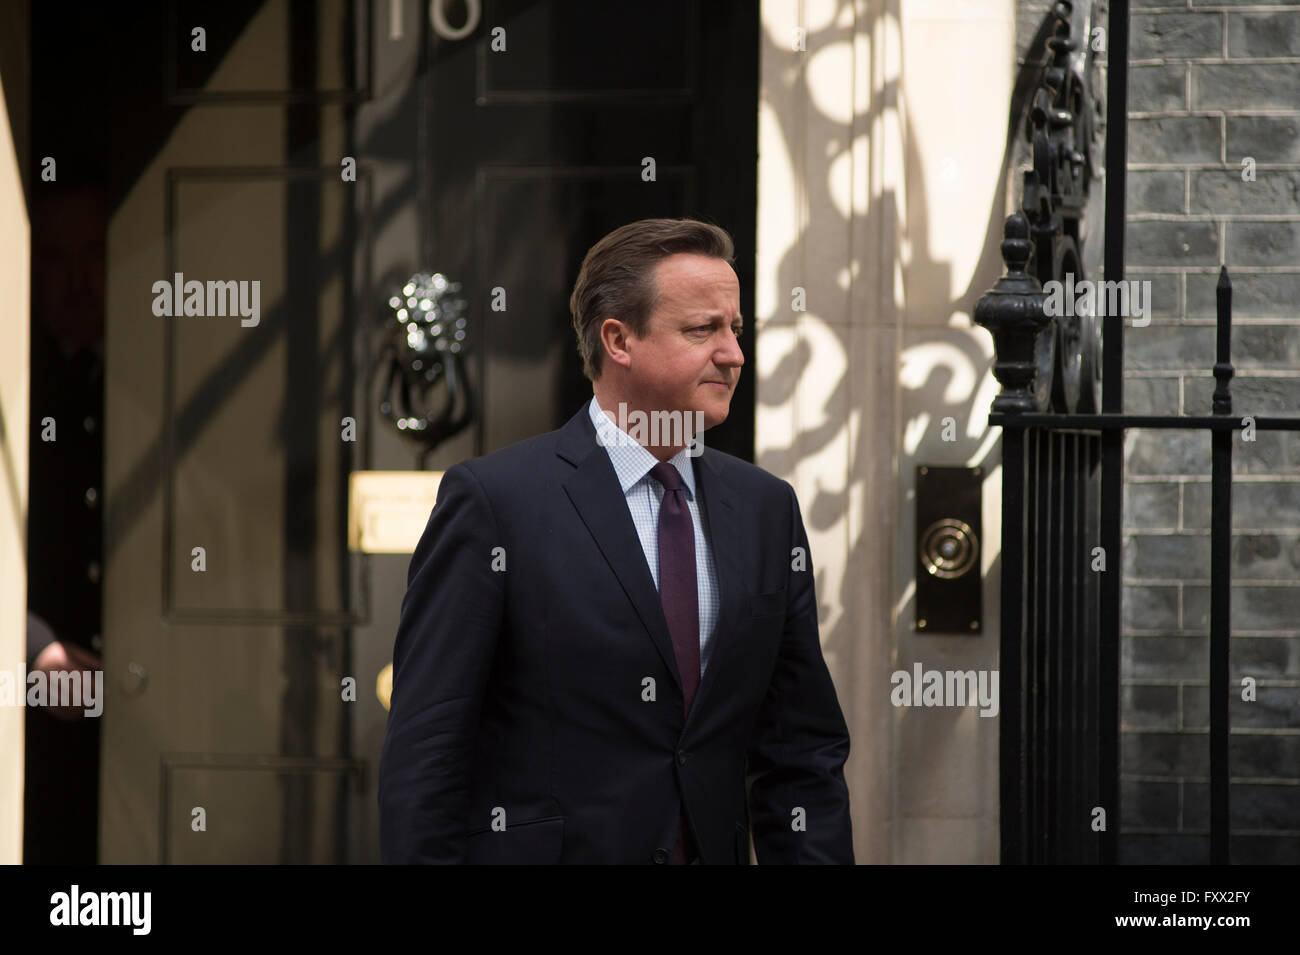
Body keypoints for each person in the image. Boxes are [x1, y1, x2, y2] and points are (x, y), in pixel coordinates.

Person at [379, 218, 853, 864]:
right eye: (703, 329)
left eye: (735, 329)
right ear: (618, 339)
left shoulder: (767, 510)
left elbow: (801, 754)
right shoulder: (495, 504)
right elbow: (426, 756)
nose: (734, 354)